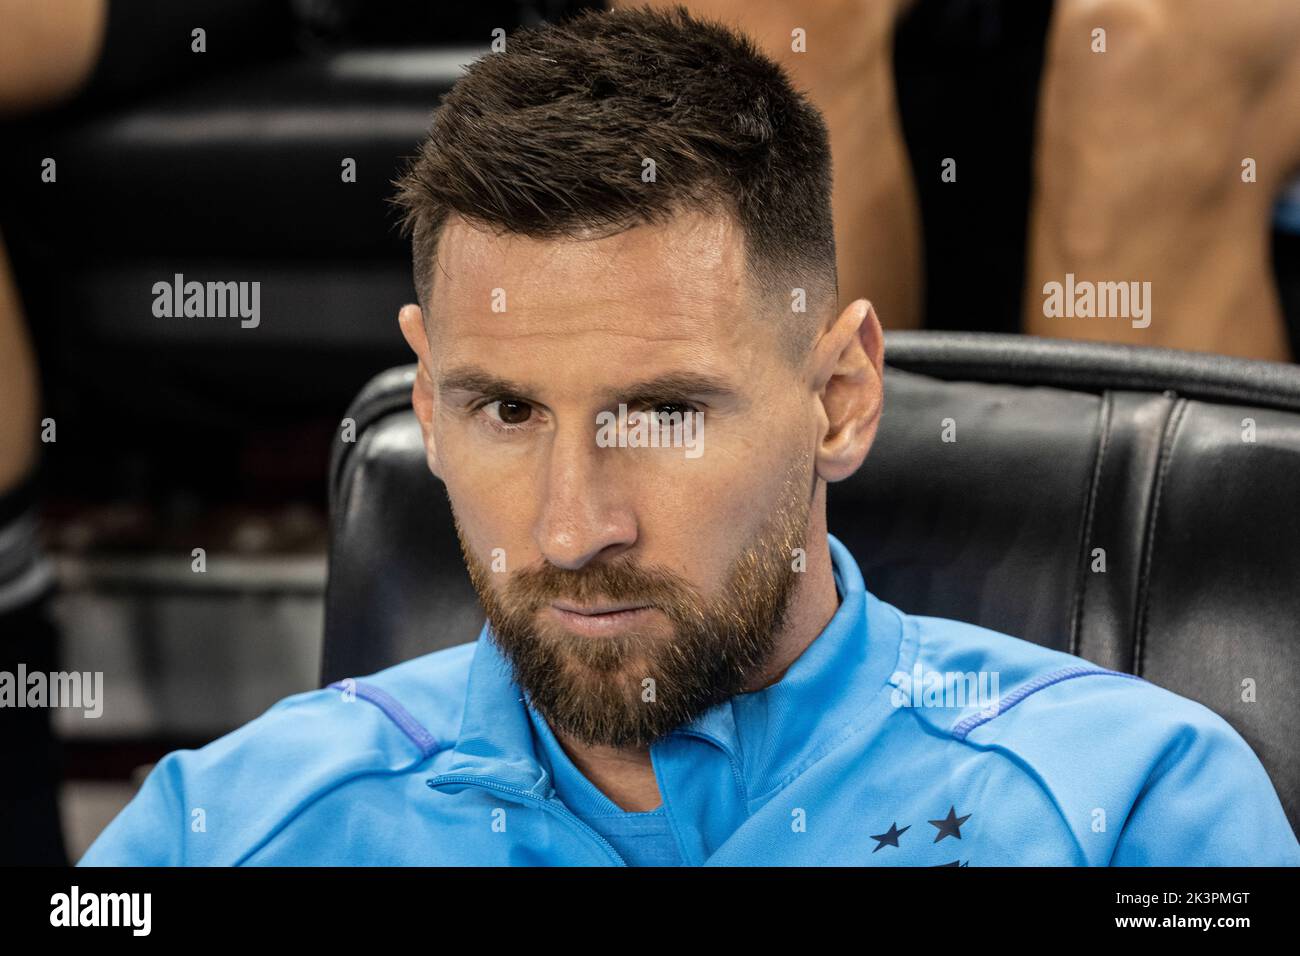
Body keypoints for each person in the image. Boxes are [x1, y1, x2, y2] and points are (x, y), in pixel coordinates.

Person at [80, 4, 1298, 866]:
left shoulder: (1129, 806)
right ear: (429, 394)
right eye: (503, 409)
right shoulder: (225, 826)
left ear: (839, 398)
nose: (569, 526)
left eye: (659, 412)